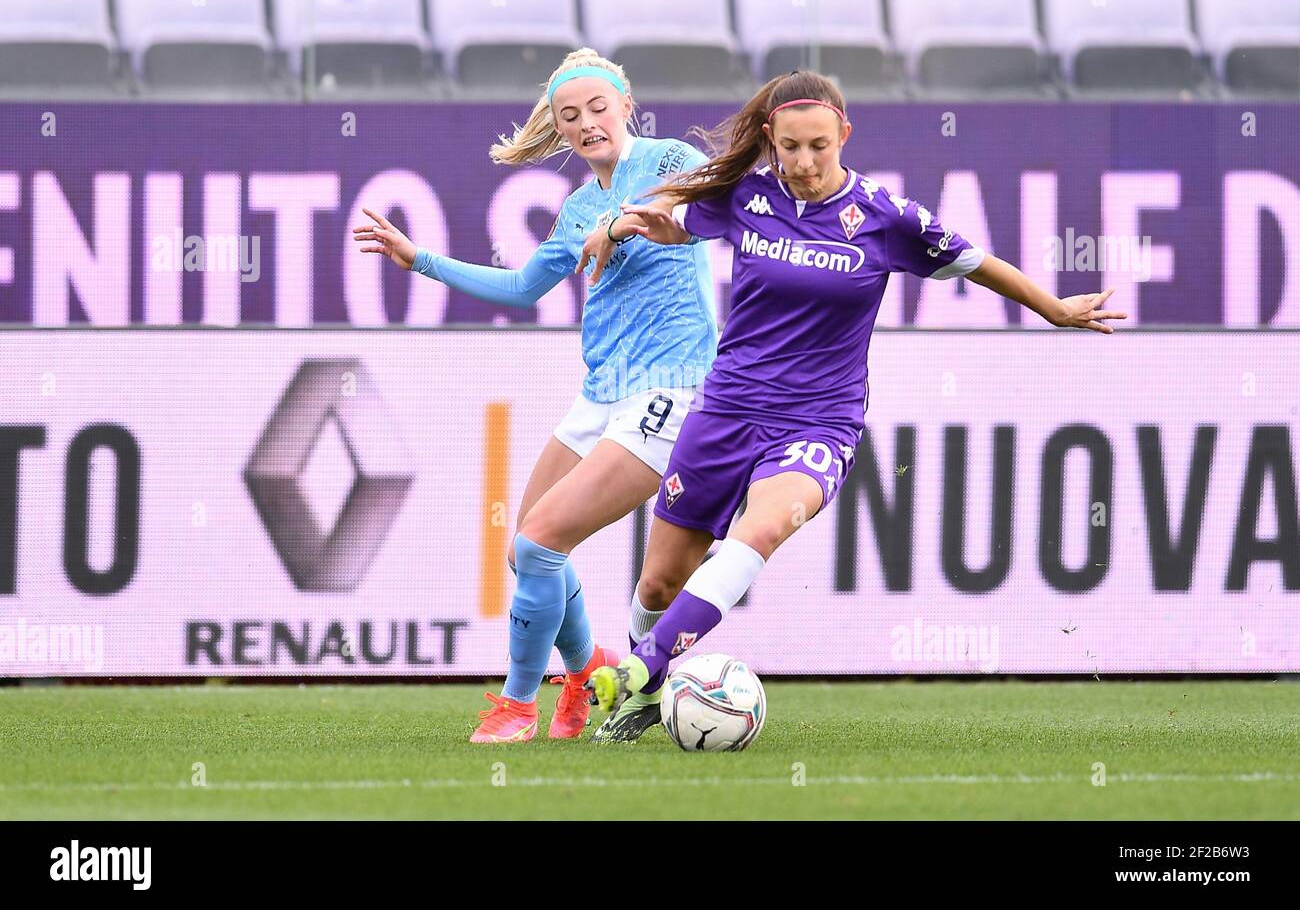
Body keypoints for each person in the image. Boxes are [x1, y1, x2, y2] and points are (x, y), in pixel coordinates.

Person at [583, 70, 1128, 733]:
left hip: (818, 420)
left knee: (762, 529)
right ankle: (647, 684)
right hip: (725, 411)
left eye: (819, 146)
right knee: (657, 587)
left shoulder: (885, 218)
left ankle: (642, 668)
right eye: (790, 147)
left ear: (844, 134)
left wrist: (1052, 309)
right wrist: (627, 225)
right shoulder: (746, 200)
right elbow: (677, 213)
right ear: (769, 140)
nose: (806, 162)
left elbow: (978, 262)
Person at [354, 48, 717, 743]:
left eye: (596, 108)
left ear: (626, 104)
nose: (585, 124)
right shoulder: (577, 207)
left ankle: (519, 707)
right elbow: (523, 287)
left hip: (670, 387)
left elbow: (675, 207)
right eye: (568, 116)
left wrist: (618, 225)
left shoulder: (667, 160)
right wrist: (418, 259)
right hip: (601, 393)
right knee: (528, 553)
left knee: (542, 540)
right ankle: (586, 675)